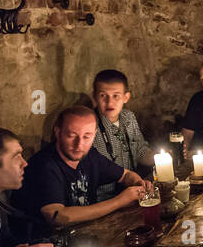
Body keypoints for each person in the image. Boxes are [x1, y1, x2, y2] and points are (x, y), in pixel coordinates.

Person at [14, 105, 149, 227]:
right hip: (46, 244)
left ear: (94, 134)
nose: (79, 145)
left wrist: (138, 184)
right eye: (71, 136)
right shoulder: (44, 166)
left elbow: (125, 175)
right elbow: (56, 216)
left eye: (87, 136)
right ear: (58, 132)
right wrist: (120, 201)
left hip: (85, 233)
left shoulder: (90, 156)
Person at [90, 69, 153, 200]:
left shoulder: (128, 118)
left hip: (132, 189)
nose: (109, 102)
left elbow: (140, 151)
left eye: (116, 96)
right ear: (94, 97)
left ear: (126, 97)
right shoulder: (89, 126)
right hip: (105, 198)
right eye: (103, 95)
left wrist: (160, 158)